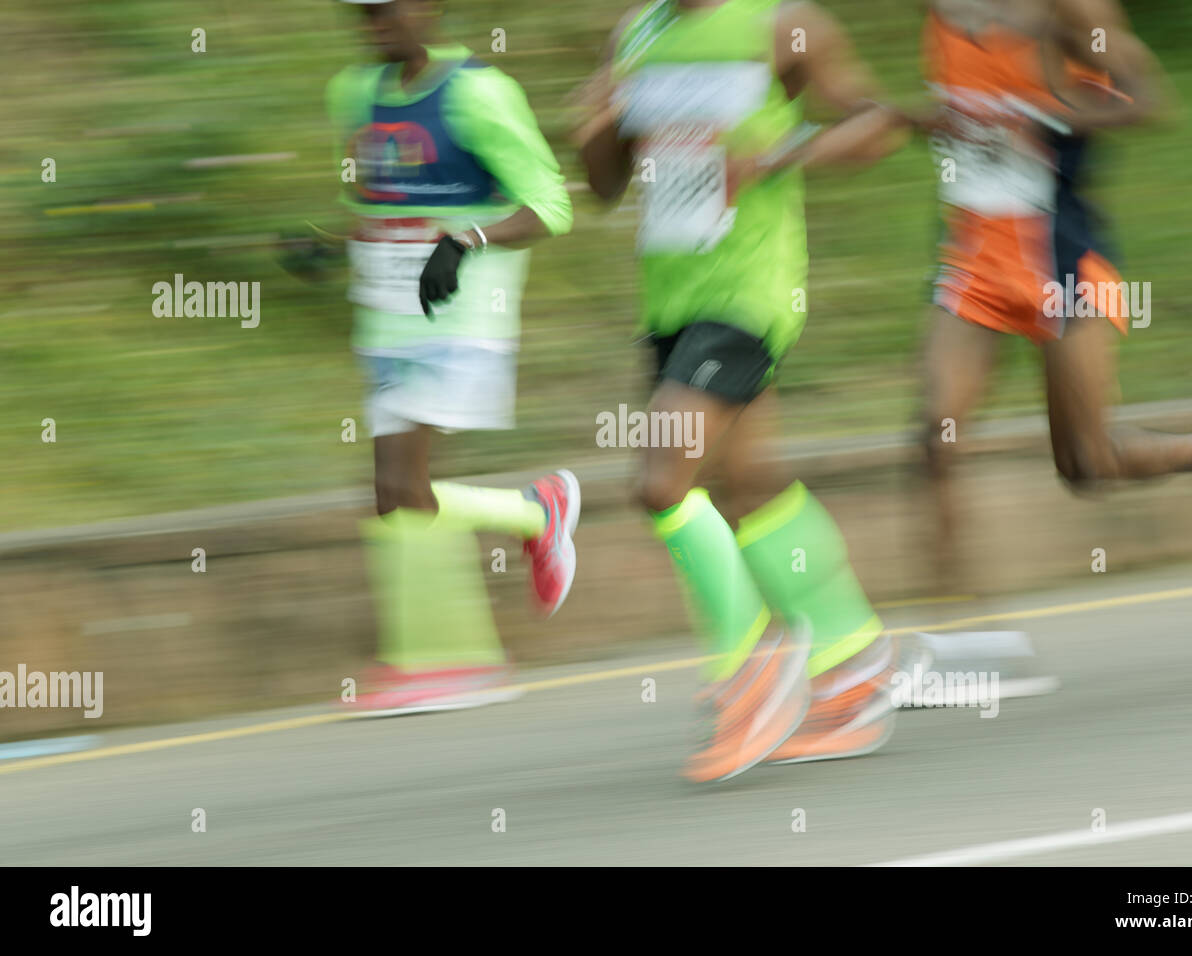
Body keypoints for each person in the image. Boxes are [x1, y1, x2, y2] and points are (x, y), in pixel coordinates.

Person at [575, 0, 915, 781]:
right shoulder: (637, 32)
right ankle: (855, 673)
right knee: (752, 494)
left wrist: (775, 154)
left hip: (749, 292)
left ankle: (753, 672)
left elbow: (879, 121)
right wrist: (597, 125)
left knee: (660, 480)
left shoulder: (786, 25)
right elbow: (602, 186)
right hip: (671, 297)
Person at [917, 0, 1192, 613]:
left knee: (1086, 464)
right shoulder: (944, 12)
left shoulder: (1065, 11)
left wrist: (1040, 116)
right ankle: (963, 642)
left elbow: (1149, 99)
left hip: (1059, 253)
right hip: (976, 257)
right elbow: (963, 105)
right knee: (936, 437)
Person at [292, 0, 580, 713]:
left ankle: (457, 661)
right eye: (360, 12)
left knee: (399, 483)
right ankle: (534, 518)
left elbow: (551, 204)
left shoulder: (480, 94)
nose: (371, 23)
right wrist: (326, 245)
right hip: (385, 320)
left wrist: (465, 241)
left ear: (429, 7)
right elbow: (373, 200)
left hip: (461, 316)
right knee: (395, 497)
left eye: (384, 10)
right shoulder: (353, 92)